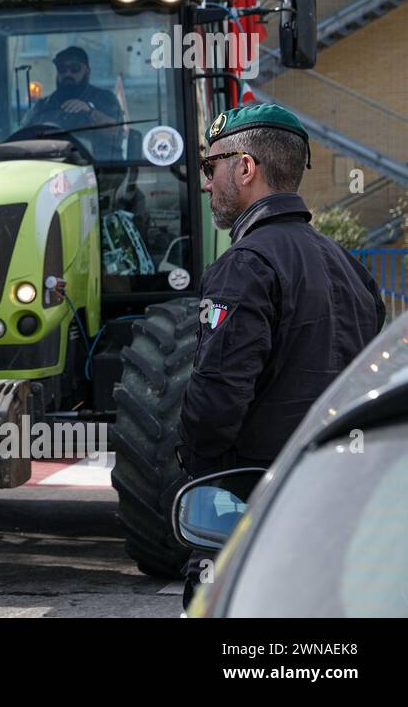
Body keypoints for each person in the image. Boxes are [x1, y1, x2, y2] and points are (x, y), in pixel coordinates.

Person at [178, 103, 385, 609]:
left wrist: (200, 482)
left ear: (245, 168)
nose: (206, 183)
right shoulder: (351, 269)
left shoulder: (245, 264)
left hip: (253, 510)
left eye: (211, 167)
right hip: (340, 507)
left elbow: (215, 404)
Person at [24, 46, 122, 136]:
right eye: (62, 68)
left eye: (75, 68)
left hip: (96, 155)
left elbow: (116, 131)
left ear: (87, 71)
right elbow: (23, 136)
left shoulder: (105, 98)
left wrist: (90, 111)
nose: (68, 73)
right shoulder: (42, 106)